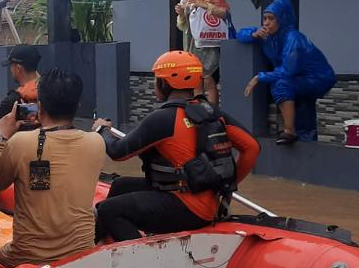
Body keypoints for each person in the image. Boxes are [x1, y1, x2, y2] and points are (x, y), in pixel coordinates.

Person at [92, 51, 260, 243]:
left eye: (157, 80)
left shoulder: (163, 119)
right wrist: (225, 189)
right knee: (121, 186)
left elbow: (118, 152)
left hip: (188, 208)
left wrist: (101, 131)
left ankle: (140, 260)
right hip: (206, 202)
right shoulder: (212, 112)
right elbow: (252, 148)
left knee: (109, 210)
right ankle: (100, 242)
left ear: (165, 84)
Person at [0, 68, 105, 268]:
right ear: (78, 104)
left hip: (27, 256)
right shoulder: (96, 142)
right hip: (81, 252)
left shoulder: (21, 143)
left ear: (39, 105)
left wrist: (3, 136)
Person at [237, 0, 336, 145]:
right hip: (300, 76)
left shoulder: (294, 38)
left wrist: (260, 77)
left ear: (282, 19)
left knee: (281, 85)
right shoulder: (268, 36)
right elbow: (239, 34)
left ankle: (289, 132)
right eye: (264, 18)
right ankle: (306, 141)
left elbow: (288, 71)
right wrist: (253, 34)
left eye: (271, 18)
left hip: (318, 78)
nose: (266, 23)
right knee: (303, 108)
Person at [174, 0, 230, 106]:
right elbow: (183, 24)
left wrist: (204, 5)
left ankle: (213, 110)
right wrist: (181, 13)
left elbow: (224, 13)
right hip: (192, 41)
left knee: (207, 77)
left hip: (207, 42)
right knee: (195, 77)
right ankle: (199, 109)